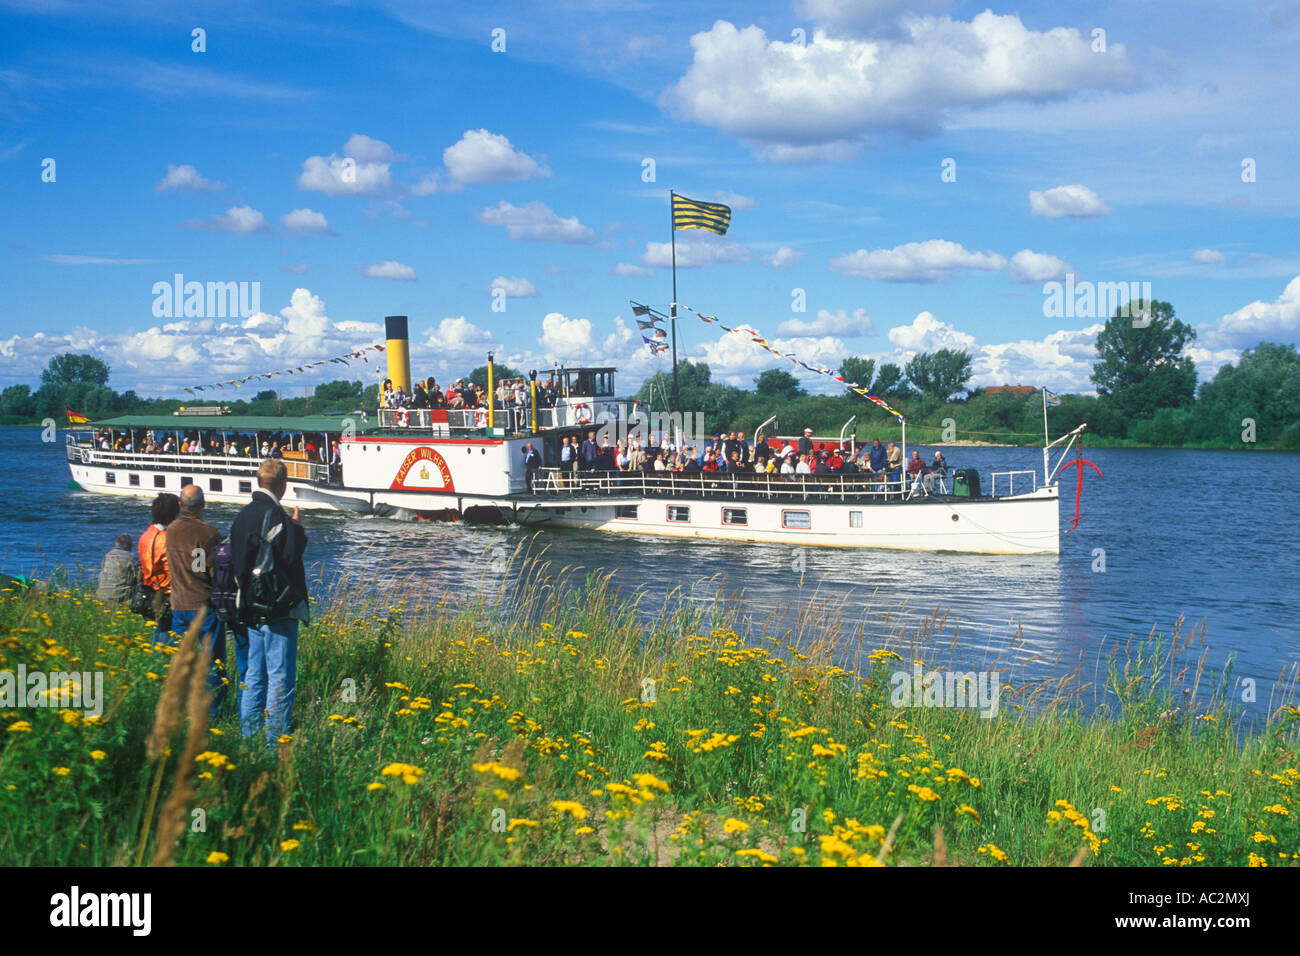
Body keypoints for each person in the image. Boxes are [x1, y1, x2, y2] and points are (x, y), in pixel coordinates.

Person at [230, 459, 309, 750]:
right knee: (279, 676)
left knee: (254, 675)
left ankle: (248, 739)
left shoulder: (241, 517)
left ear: (259, 481)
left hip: (250, 608)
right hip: (277, 609)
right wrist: (298, 528)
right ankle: (274, 745)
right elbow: (289, 558)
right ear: (282, 485)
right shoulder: (279, 518)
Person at [166, 485, 228, 715]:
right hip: (202, 606)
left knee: (181, 662)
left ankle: (177, 709)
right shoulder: (207, 534)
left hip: (177, 605)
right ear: (203, 504)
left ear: (181, 505)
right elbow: (203, 569)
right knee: (211, 664)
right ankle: (212, 715)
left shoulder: (170, 531)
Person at [138, 493, 180, 639]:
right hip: (168, 593)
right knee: (166, 635)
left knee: (155, 634)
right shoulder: (167, 539)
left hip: (149, 590)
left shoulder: (146, 535)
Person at [96, 533, 140, 605]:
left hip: (102, 594)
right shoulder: (131, 557)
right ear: (129, 545)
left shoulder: (108, 555)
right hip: (120, 596)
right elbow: (139, 576)